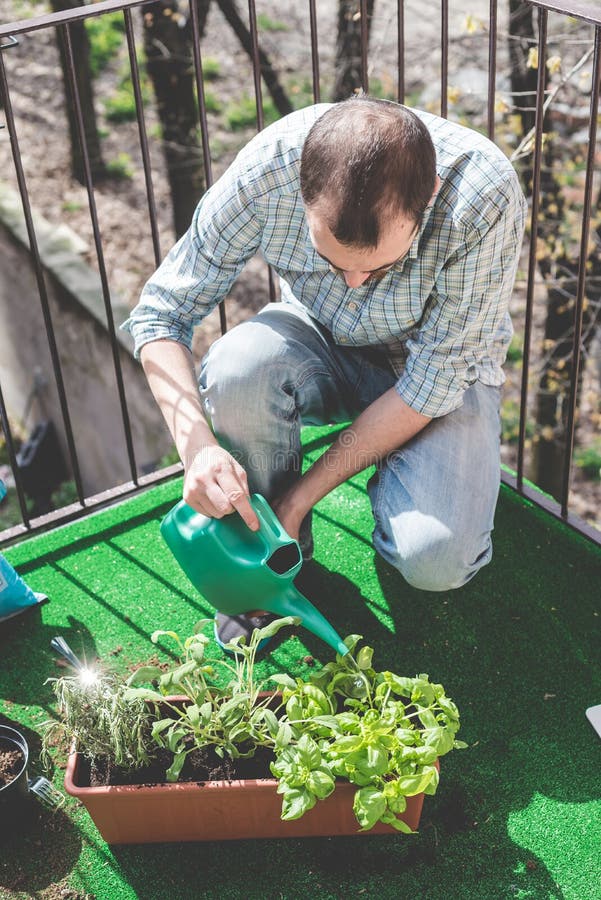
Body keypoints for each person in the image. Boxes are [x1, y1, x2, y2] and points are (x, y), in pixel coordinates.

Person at [123, 95, 527, 647]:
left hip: (436, 368)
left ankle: (359, 491)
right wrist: (197, 447)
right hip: (318, 338)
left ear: (429, 195)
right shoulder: (269, 169)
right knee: (240, 366)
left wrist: (299, 498)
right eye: (333, 261)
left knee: (435, 562)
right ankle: (272, 555)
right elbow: (161, 312)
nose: (355, 283)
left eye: (379, 265)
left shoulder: (483, 195)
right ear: (300, 190)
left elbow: (432, 383)